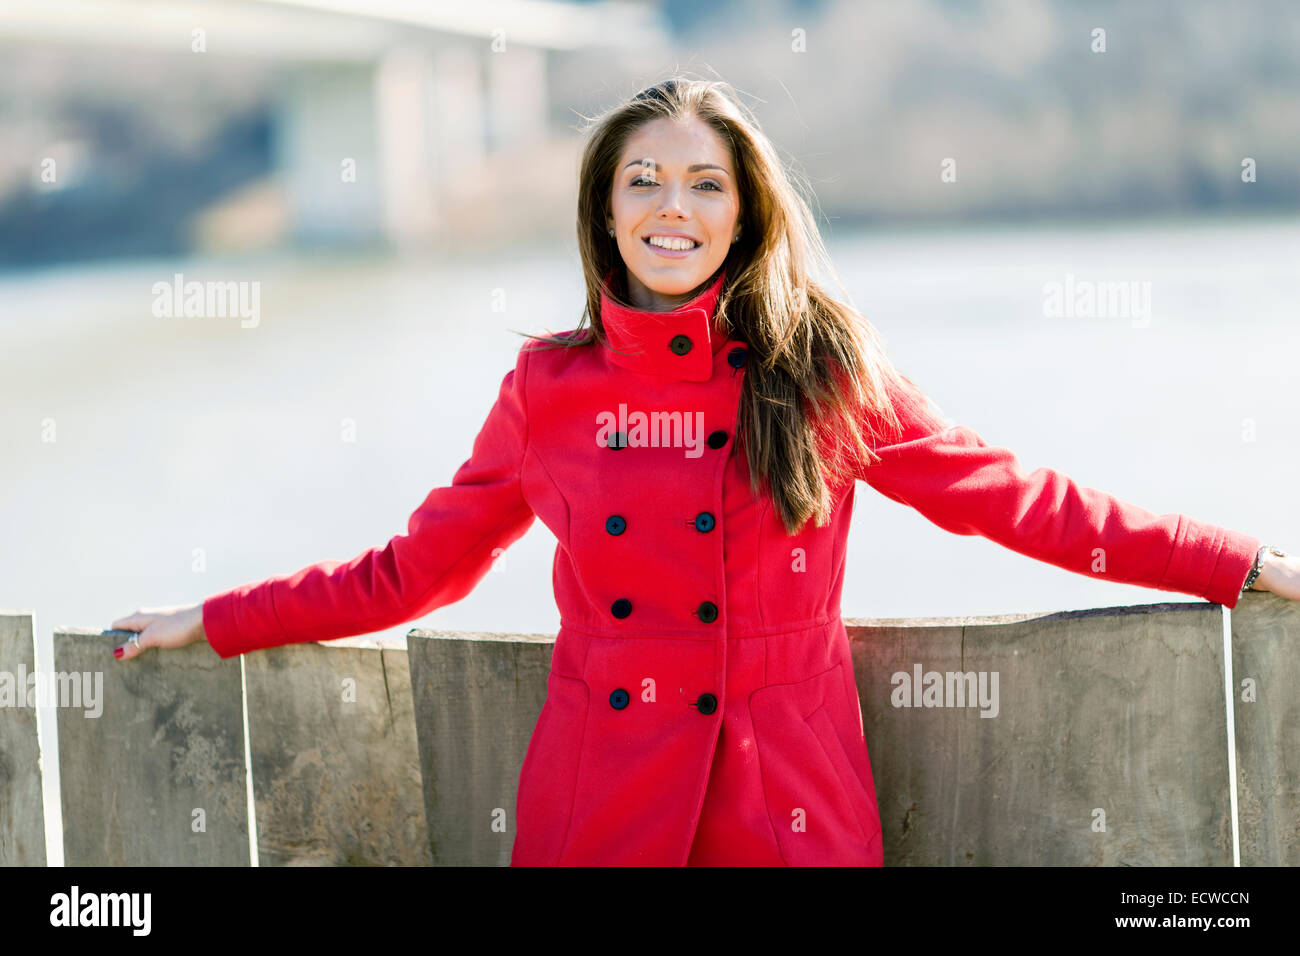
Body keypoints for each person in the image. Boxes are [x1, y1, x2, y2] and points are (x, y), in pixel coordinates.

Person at [109, 76, 1298, 866]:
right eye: (643, 180)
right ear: (605, 209)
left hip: (788, 802)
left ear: (745, 213)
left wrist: (1236, 559)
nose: (671, 207)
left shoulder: (817, 367)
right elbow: (412, 570)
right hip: (598, 807)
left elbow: (1014, 499)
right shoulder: (546, 390)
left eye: (704, 183)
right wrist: (213, 617)